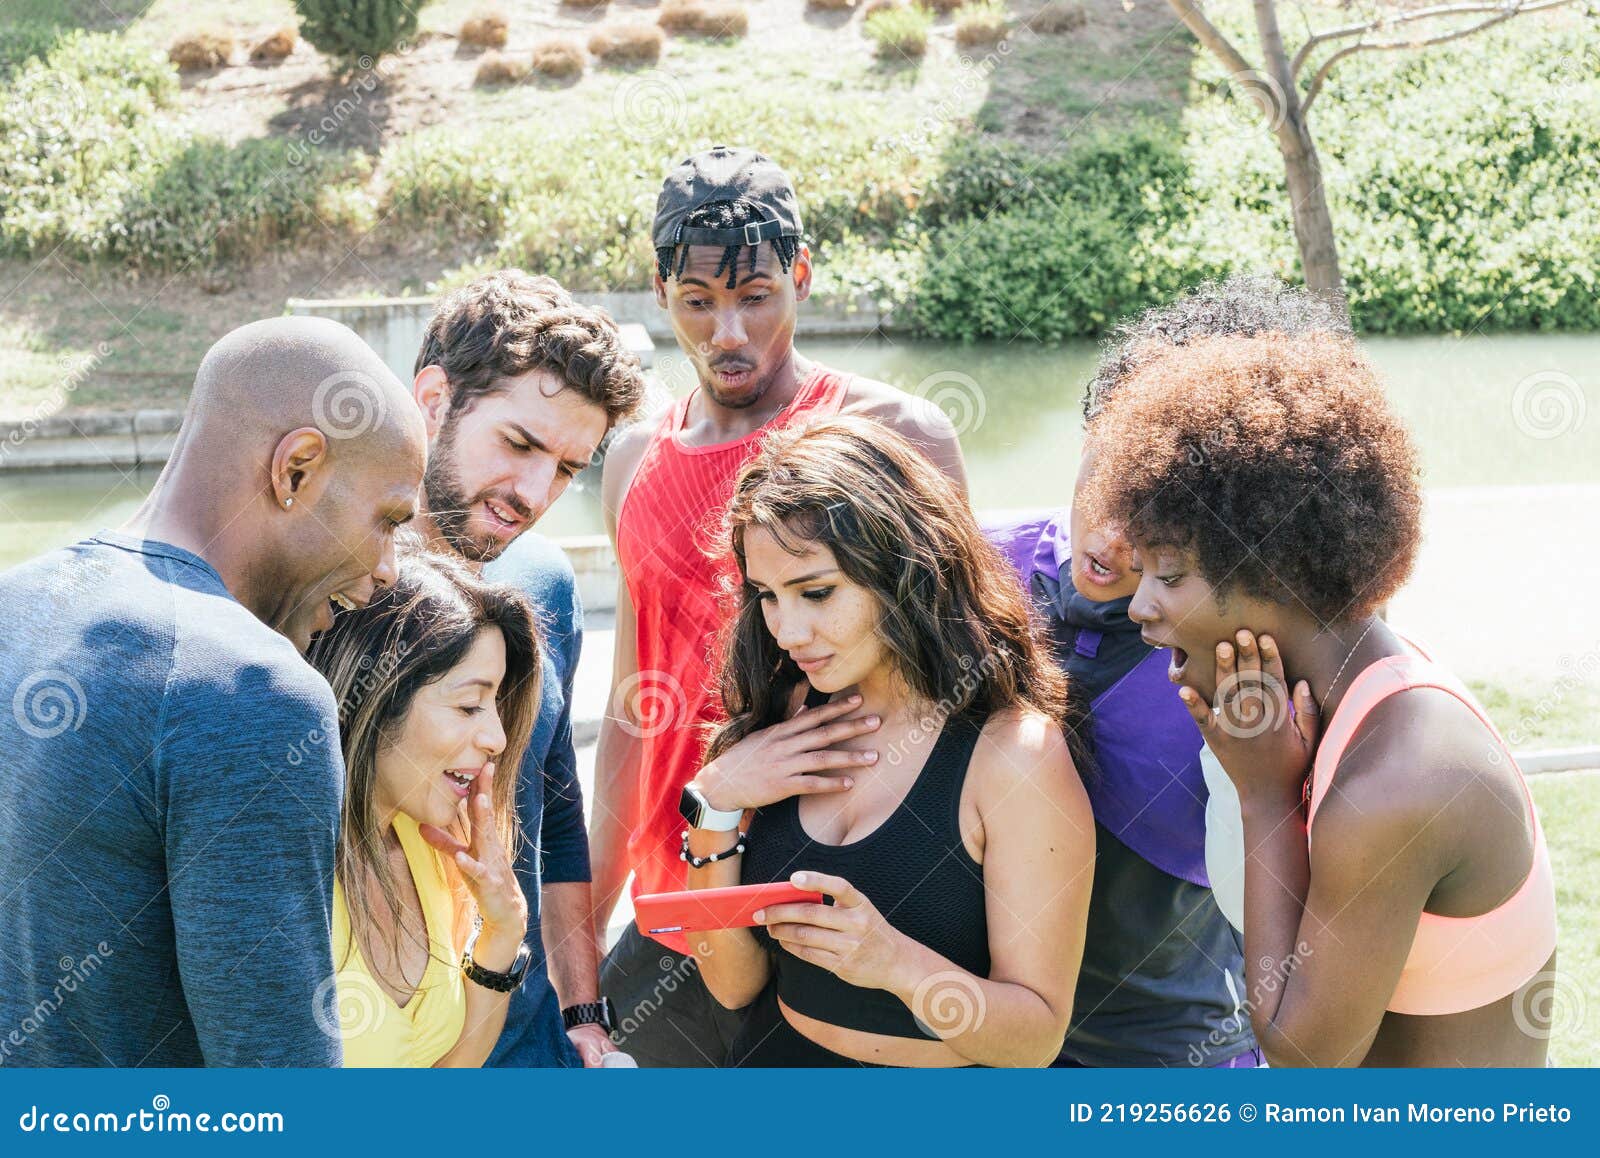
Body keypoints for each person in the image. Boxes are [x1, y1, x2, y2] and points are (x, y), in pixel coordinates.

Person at [1085, 330, 1558, 1066]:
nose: (1140, 606)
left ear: (1273, 573)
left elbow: (1305, 1060)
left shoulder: (1399, 781)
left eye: (1169, 576)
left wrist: (1265, 797)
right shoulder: (1348, 689)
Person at [593, 145, 968, 1066]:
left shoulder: (895, 434)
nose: (728, 332)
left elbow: (963, 685)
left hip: (838, 906)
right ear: (660, 292)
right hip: (678, 904)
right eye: (697, 301)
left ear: (801, 276)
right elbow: (632, 708)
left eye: (756, 296)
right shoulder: (633, 460)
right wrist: (581, 934)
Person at [0, 317, 426, 1066]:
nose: (389, 568)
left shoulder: (15, 603)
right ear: (296, 470)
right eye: (387, 520)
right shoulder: (252, 694)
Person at [983, 276, 1349, 1067]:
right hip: (978, 1039)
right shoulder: (972, 567)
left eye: (1155, 509)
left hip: (1175, 1060)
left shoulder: (1261, 657)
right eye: (1104, 475)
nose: (1112, 536)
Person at [677, 417, 1094, 1067]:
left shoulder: (1014, 754)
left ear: (904, 570)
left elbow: (1035, 1039)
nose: (788, 631)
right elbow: (733, 985)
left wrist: (893, 963)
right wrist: (713, 804)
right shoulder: (786, 710)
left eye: (817, 592)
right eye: (768, 596)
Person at [408, 269, 647, 1065]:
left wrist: (584, 1009)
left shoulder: (544, 580)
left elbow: (556, 807)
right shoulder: (327, 595)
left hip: (535, 1040)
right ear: (434, 400)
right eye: (519, 444)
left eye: (569, 468)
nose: (535, 493)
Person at [307, 546, 540, 1066]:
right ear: (374, 699)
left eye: (495, 706)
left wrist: (504, 932)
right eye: (469, 706)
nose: (498, 739)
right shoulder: (286, 873)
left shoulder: (433, 848)